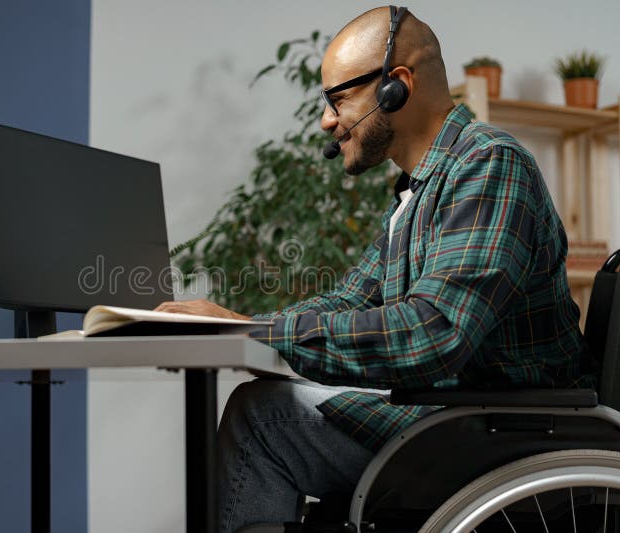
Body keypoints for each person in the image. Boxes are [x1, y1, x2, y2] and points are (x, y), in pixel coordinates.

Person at [155, 5, 595, 532]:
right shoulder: (416, 191)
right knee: (265, 404)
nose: (326, 121)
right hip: (463, 421)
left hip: (507, 437)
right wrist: (240, 327)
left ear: (397, 87)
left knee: (263, 415)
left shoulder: (489, 164)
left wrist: (259, 333)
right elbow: (349, 299)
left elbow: (434, 332)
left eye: (338, 99)